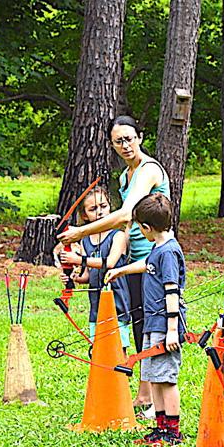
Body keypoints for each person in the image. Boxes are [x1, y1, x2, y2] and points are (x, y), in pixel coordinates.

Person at [58, 115, 172, 418]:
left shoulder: (148, 170)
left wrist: (80, 232)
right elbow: (125, 227)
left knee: (155, 326)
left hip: (156, 257)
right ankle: (145, 395)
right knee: (140, 325)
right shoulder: (125, 176)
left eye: (129, 138)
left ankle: (159, 399)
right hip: (135, 258)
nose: (125, 145)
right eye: (118, 141)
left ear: (140, 137)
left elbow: (125, 215)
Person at [105, 194, 187, 447]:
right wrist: (121, 270)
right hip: (153, 324)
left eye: (139, 227)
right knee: (153, 376)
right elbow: (148, 265)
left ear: (147, 228)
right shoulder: (159, 248)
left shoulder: (170, 251)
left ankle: (172, 431)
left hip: (165, 325)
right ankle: (160, 428)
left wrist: (172, 329)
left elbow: (171, 289)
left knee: (166, 379)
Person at [54, 184, 132, 349]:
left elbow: (109, 263)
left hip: (116, 301)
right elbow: (88, 276)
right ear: (85, 216)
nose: (100, 211)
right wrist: (73, 278)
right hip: (96, 306)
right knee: (99, 349)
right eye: (93, 209)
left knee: (118, 348)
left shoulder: (117, 236)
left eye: (103, 206)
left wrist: (79, 259)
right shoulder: (86, 241)